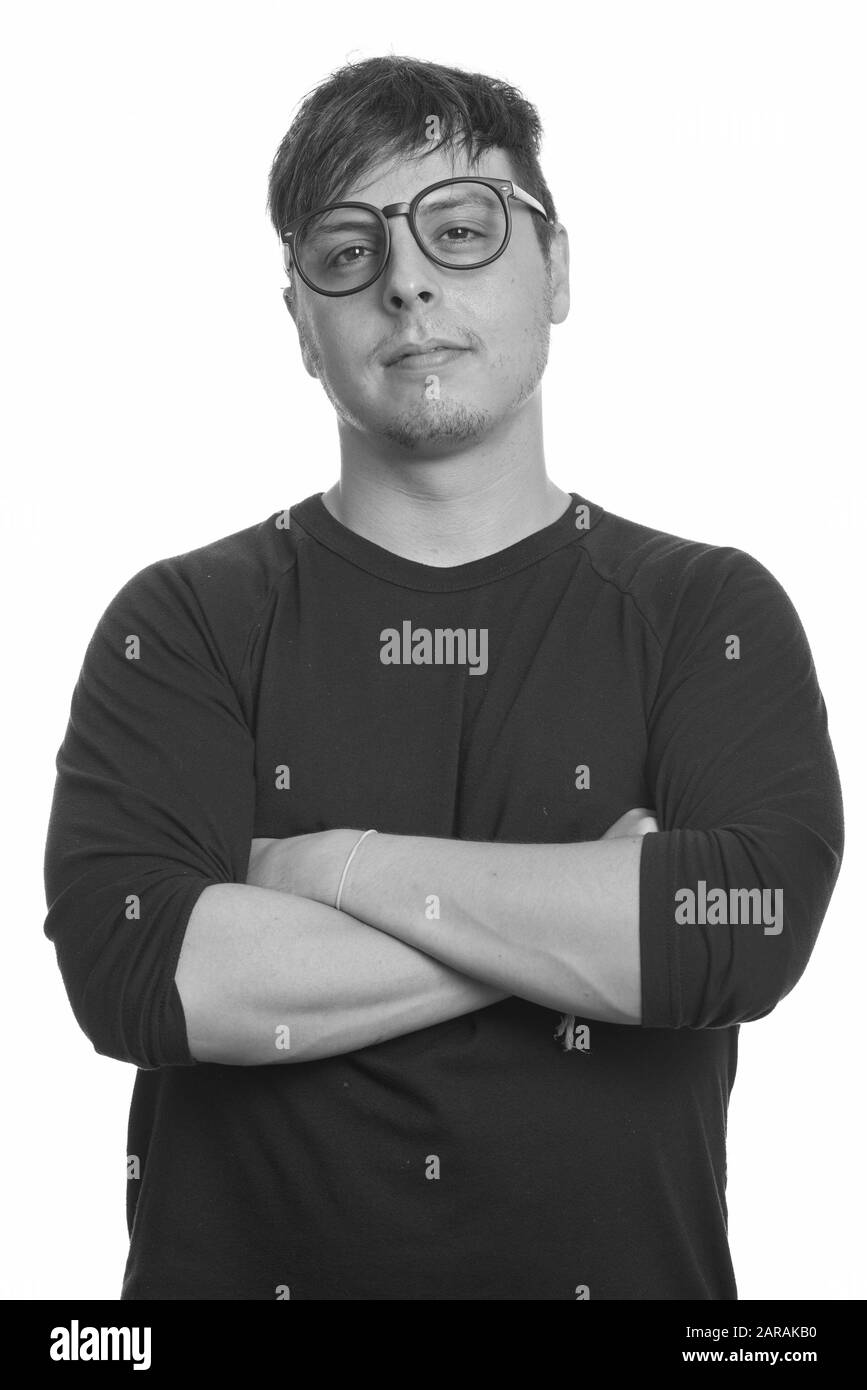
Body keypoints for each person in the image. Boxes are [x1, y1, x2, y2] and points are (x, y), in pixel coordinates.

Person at [43, 54, 844, 1301]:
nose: (407, 281)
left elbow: (737, 928)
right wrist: (582, 915)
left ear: (556, 268)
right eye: (348, 250)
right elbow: (141, 974)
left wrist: (327, 868)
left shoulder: (705, 614)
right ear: (300, 322)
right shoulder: (185, 623)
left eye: (461, 230)